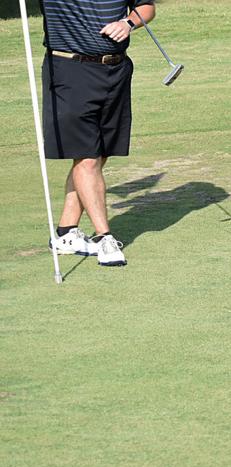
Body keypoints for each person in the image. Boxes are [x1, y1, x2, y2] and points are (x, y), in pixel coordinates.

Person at [39, 0, 159, 269]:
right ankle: (105, 238)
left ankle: (66, 232)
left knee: (99, 153)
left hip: (116, 71)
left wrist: (127, 23)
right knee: (88, 158)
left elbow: (146, 8)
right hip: (70, 71)